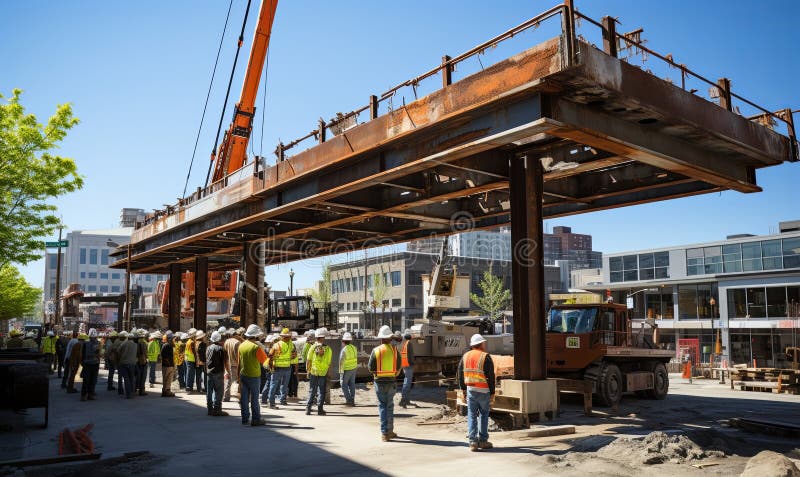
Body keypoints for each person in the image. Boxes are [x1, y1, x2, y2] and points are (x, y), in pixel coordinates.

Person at [457, 334, 496, 452]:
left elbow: (460, 373)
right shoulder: (485, 356)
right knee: (484, 415)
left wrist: (463, 389)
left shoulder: (465, 356)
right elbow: (490, 376)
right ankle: (483, 441)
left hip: (471, 390)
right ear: (481, 344)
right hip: (484, 391)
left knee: (472, 415)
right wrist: (492, 392)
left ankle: (473, 442)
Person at [368, 325, 401, 442]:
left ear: (381, 338)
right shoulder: (395, 351)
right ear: (390, 337)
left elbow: (370, 368)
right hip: (391, 381)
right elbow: (398, 367)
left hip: (379, 382)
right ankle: (390, 431)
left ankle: (384, 433)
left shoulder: (376, 351)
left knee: (382, 406)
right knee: (390, 406)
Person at [238, 324, 268, 426]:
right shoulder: (256, 347)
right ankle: (256, 419)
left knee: (244, 398)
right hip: (254, 376)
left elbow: (239, 362)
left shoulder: (241, 346)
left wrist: (238, 376)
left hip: (243, 375)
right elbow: (265, 362)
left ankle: (245, 419)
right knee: (254, 399)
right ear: (256, 336)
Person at [306, 328, 332, 416]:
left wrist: (308, 371)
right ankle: (320, 410)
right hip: (323, 373)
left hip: (313, 372)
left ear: (316, 337)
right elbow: (329, 363)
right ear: (323, 338)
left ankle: (308, 409)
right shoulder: (328, 349)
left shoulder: (312, 347)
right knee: (321, 391)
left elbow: (308, 360)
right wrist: (328, 373)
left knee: (312, 390)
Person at [267, 328, 295, 409]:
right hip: (287, 368)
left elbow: (270, 356)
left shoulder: (277, 345)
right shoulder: (291, 345)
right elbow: (294, 355)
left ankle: (271, 403)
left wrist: (271, 367)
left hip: (277, 368)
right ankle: (283, 401)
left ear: (282, 336)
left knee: (273, 385)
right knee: (284, 385)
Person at [206, 331, 228, 416]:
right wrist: (227, 371)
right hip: (218, 372)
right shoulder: (220, 348)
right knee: (219, 391)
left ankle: (210, 409)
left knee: (209, 391)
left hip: (209, 372)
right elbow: (224, 360)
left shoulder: (208, 348)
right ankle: (217, 409)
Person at [80, 329, 101, 401]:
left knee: (93, 380)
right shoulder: (86, 343)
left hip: (94, 364)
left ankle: (90, 394)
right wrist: (82, 362)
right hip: (87, 364)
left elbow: (98, 354)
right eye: (92, 337)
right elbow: (82, 354)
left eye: (94, 337)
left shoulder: (98, 343)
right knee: (86, 380)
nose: (93, 338)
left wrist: (98, 362)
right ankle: (84, 395)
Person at [116, 331, 138, 399]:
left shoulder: (124, 343)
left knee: (126, 379)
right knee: (132, 378)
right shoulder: (135, 345)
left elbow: (117, 351)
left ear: (128, 338)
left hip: (124, 363)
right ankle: (132, 392)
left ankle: (128, 394)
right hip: (132, 364)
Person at [339, 332, 358, 407]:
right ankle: (352, 399)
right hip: (354, 368)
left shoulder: (344, 350)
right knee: (352, 384)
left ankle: (349, 400)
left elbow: (341, 362)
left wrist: (341, 372)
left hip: (347, 369)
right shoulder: (354, 348)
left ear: (343, 341)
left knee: (343, 384)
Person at [223, 328, 240, 402]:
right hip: (235, 364)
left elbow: (224, 353)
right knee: (237, 380)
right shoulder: (237, 342)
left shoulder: (226, 341)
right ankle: (238, 395)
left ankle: (226, 396)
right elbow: (239, 355)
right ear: (235, 334)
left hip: (227, 363)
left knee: (228, 381)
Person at [399, 329, 415, 408]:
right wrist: (413, 363)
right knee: (407, 383)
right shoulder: (409, 343)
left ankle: (406, 400)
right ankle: (403, 400)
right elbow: (411, 356)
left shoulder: (403, 342)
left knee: (407, 382)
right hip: (408, 365)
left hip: (405, 365)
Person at [161, 331, 176, 397]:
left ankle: (164, 391)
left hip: (166, 364)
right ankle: (167, 391)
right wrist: (170, 364)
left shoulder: (165, 345)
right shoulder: (168, 345)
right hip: (168, 365)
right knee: (168, 378)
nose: (173, 340)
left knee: (165, 378)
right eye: (172, 338)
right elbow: (165, 356)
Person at [288, 332, 300, 401]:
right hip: (291, 365)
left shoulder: (290, 345)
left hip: (290, 365)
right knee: (293, 381)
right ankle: (293, 394)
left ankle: (291, 394)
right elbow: (295, 357)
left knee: (291, 381)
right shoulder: (291, 345)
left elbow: (294, 357)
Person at [185, 328, 197, 393]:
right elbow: (194, 352)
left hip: (187, 359)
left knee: (188, 373)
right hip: (191, 359)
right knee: (190, 374)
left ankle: (188, 387)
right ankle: (189, 388)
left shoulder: (188, 341)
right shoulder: (192, 342)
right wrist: (196, 359)